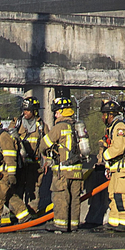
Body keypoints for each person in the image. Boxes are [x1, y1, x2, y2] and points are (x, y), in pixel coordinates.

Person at [40, 96, 86, 233]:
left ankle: (60, 224)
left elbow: (43, 145)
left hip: (63, 172)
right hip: (77, 171)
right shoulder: (78, 127)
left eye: (56, 112)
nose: (55, 115)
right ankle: (73, 225)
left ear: (61, 112)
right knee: (75, 199)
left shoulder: (59, 127)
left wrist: (48, 152)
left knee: (61, 197)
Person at [0, 112, 30, 228]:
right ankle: (24, 215)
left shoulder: (3, 137)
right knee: (8, 196)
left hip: (5, 173)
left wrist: (12, 174)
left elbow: (10, 156)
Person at [99, 99, 125, 233]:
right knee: (113, 195)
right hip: (117, 169)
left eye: (104, 114)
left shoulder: (119, 127)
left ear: (111, 115)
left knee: (122, 196)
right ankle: (114, 221)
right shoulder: (112, 127)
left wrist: (105, 155)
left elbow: (119, 148)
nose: (103, 117)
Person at [17, 94, 46, 207]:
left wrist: (46, 160)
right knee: (18, 189)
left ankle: (33, 217)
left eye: (28, 110)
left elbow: (47, 144)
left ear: (34, 111)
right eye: (24, 110)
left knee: (33, 191)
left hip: (35, 166)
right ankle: (17, 215)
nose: (25, 112)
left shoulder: (41, 127)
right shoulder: (17, 124)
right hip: (20, 165)